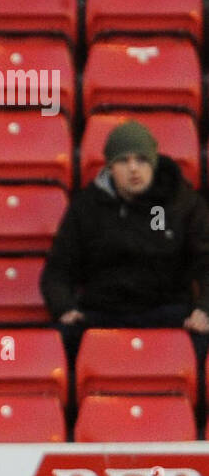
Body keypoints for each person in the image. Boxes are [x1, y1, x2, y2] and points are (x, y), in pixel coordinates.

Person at [41, 120, 209, 361]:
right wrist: (64, 308)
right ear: (110, 167)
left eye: (141, 160)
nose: (133, 169)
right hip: (103, 314)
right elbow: (58, 269)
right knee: (53, 346)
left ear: (153, 162)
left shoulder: (184, 203)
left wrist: (204, 309)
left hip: (169, 314)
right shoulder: (87, 206)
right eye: (123, 161)